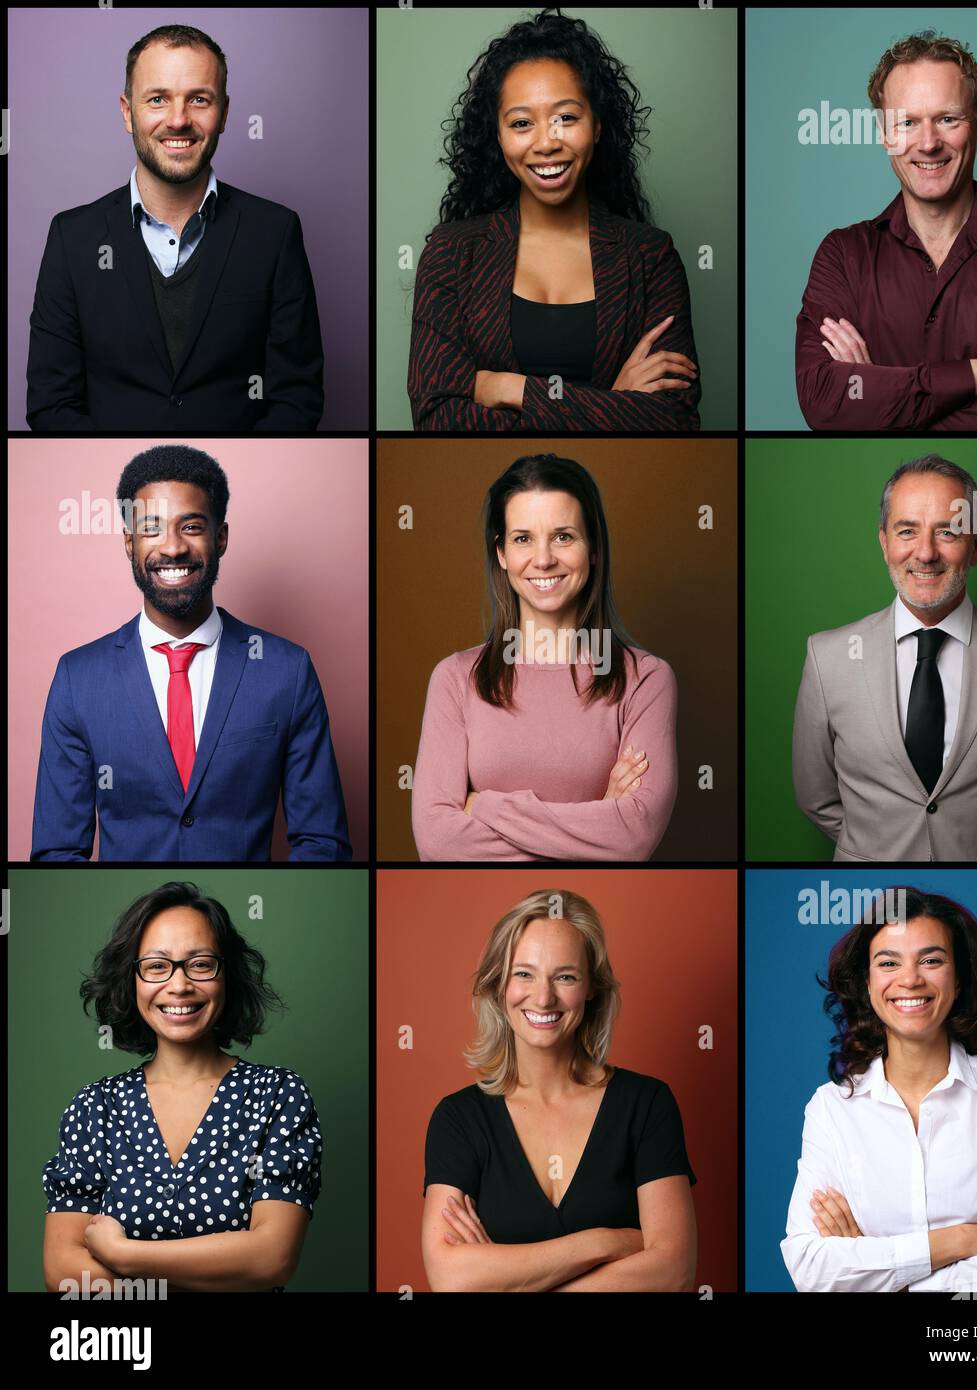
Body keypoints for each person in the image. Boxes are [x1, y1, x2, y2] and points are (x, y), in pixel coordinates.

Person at [31, 445, 351, 861]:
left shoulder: (287, 671)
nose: (173, 548)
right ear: (129, 544)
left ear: (221, 538)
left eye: (191, 526)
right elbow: (56, 854)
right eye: (151, 529)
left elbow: (324, 844)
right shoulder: (78, 679)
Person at [408, 10, 700, 432]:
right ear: (498, 136)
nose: (546, 142)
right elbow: (436, 419)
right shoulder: (452, 252)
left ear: (597, 125)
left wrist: (509, 388)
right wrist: (612, 404)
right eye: (522, 123)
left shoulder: (650, 256)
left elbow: (675, 420)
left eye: (566, 117)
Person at [27, 24, 323, 432]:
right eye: (158, 99)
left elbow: (297, 399)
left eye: (199, 99)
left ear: (224, 114)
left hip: (239, 488)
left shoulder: (275, 233)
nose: (179, 119)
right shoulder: (71, 238)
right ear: (128, 112)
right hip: (116, 489)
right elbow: (51, 404)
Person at [792, 455, 977, 861]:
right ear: (884, 542)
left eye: (947, 532)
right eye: (907, 531)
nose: (925, 553)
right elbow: (815, 795)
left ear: (976, 545)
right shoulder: (827, 656)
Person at [43, 882, 322, 1293]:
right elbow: (64, 1269)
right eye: (157, 966)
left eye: (201, 964)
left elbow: (272, 1258)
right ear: (131, 978)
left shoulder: (277, 1095)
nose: (179, 985)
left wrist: (126, 1255)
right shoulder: (94, 1107)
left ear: (228, 975)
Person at [795, 31, 977, 431]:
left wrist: (881, 399)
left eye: (948, 119)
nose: (928, 143)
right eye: (907, 122)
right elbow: (824, 401)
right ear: (883, 135)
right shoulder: (842, 256)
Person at [780, 888, 977, 1293]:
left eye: (931, 960)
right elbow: (811, 1268)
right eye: (888, 962)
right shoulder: (831, 1108)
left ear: (959, 978)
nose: (909, 979)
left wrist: (879, 1270)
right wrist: (962, 1240)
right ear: (868, 983)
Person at [421, 889, 697, 1291]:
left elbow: (674, 1273)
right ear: (499, 984)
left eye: (565, 976)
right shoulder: (458, 1119)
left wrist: (505, 1279)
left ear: (591, 988)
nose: (544, 996)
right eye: (524, 973)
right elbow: (451, 1279)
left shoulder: (647, 1104)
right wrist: (605, 1241)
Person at [412, 454, 677, 860]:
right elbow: (437, 841)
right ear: (501, 554)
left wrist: (481, 805)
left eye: (563, 536)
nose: (543, 559)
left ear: (593, 549)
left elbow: (632, 838)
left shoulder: (646, 678)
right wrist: (599, 817)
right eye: (522, 539)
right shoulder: (454, 678)